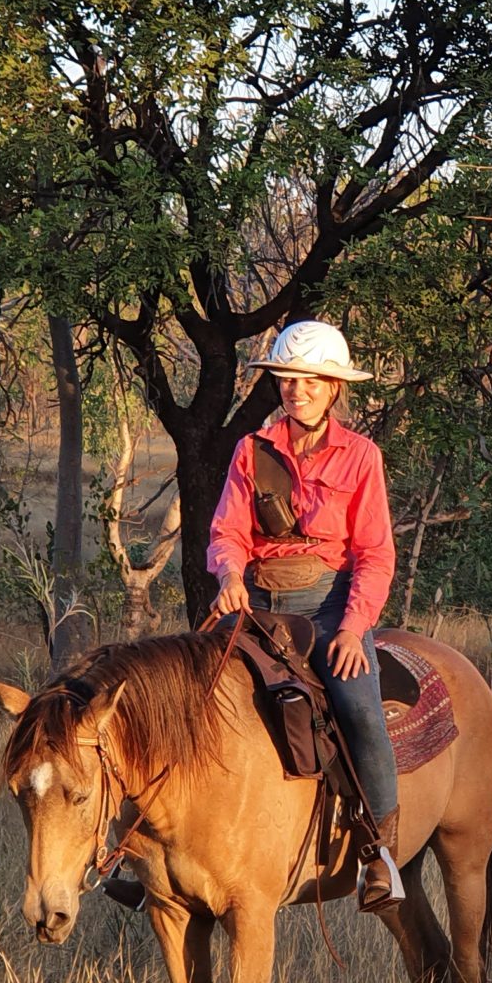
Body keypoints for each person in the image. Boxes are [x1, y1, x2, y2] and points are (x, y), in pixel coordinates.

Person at [203, 319, 406, 911]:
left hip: (328, 605)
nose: (298, 390)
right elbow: (227, 531)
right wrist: (230, 577)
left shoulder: (361, 456)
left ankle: (379, 854)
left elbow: (375, 554)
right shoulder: (251, 450)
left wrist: (353, 629)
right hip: (257, 602)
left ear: (333, 388)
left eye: (311, 381)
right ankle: (152, 850)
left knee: (359, 710)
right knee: (186, 691)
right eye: (288, 380)